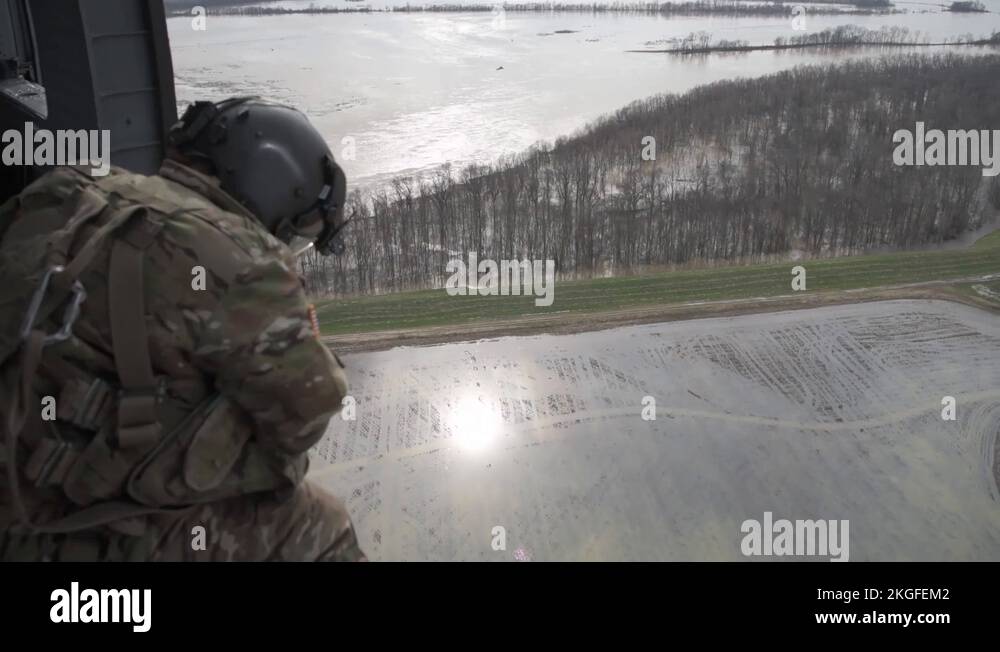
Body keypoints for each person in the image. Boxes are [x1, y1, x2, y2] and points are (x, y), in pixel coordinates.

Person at [0, 97, 366, 561]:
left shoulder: (67, 186)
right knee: (318, 522)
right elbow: (304, 421)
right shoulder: (244, 260)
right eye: (295, 235)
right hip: (55, 529)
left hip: (19, 480)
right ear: (273, 191)